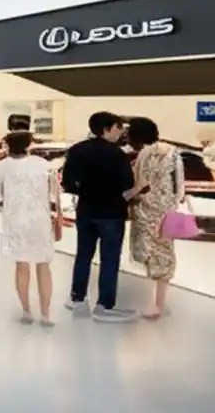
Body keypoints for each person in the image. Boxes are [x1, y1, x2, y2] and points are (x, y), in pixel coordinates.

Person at [62, 111, 138, 322]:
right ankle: (104, 305)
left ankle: (77, 297)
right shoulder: (118, 155)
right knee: (109, 259)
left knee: (83, 255)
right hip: (111, 212)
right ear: (107, 129)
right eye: (118, 127)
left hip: (86, 210)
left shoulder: (77, 150)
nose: (121, 132)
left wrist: (85, 191)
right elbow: (127, 187)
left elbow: (67, 183)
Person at [0, 131, 62, 326]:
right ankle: (46, 313)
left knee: (21, 264)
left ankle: (26, 311)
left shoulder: (3, 167)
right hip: (39, 219)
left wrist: (7, 208)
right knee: (43, 265)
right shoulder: (44, 166)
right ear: (28, 144)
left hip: (15, 221)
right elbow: (54, 194)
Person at [125, 116, 183, 320]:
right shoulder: (173, 151)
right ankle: (159, 301)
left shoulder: (144, 155)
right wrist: (174, 204)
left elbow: (139, 184)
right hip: (168, 210)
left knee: (151, 253)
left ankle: (156, 304)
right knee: (165, 253)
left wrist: (126, 197)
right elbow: (179, 183)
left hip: (148, 211)